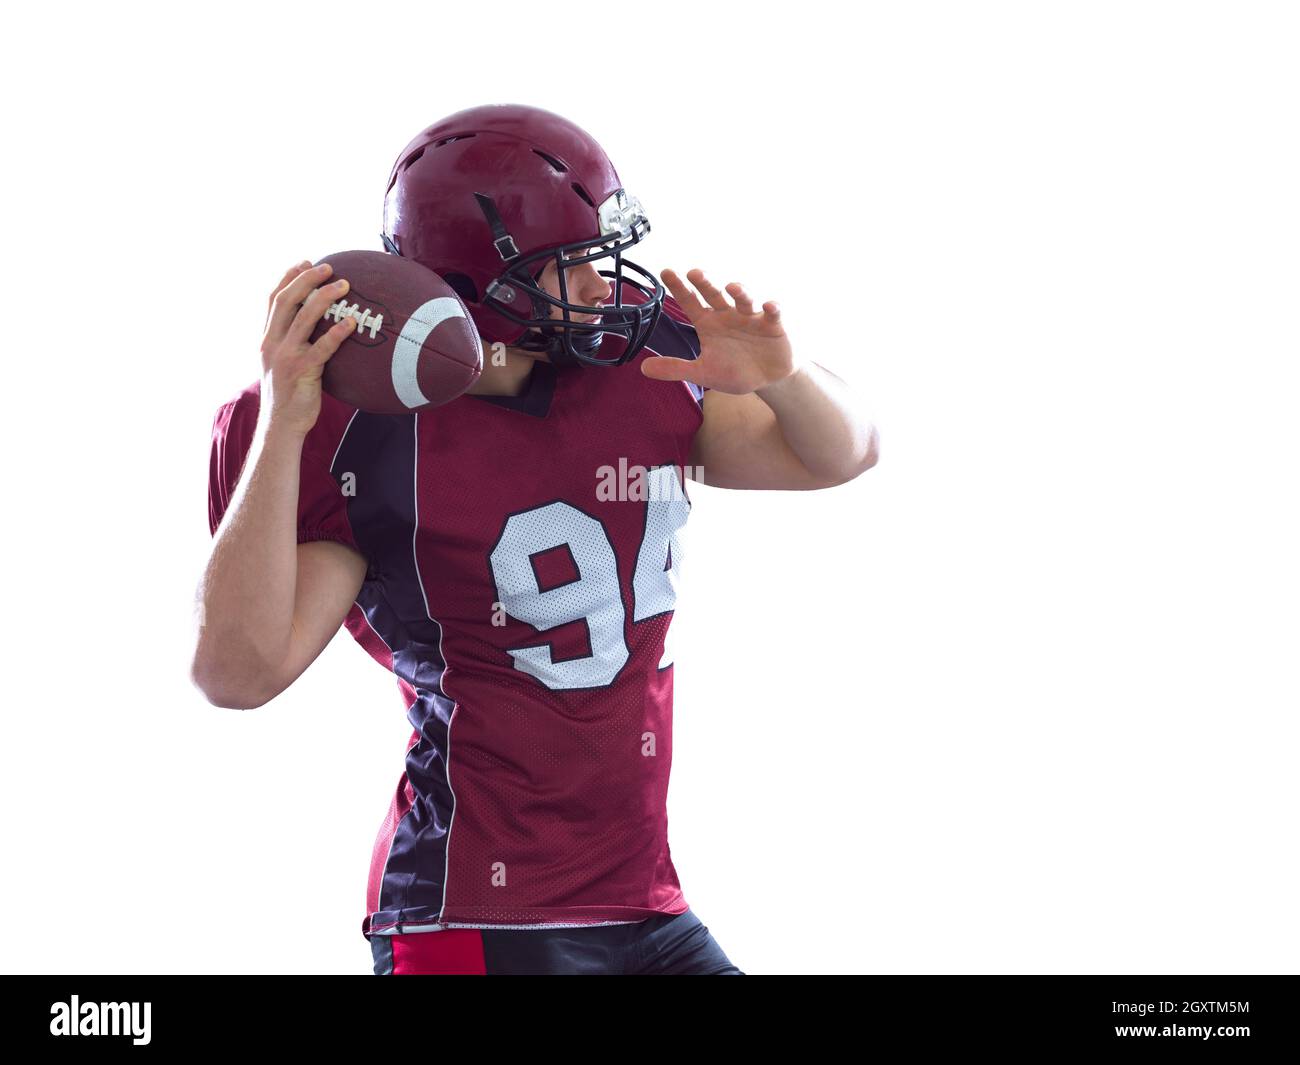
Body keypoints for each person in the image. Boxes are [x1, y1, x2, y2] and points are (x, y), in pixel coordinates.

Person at [192, 104, 879, 975]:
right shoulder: (364, 431)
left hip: (644, 898)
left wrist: (784, 379)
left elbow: (846, 453)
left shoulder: (645, 365)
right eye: (574, 267)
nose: (604, 288)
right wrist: (281, 429)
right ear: (477, 286)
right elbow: (236, 673)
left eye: (602, 258)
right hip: (475, 915)